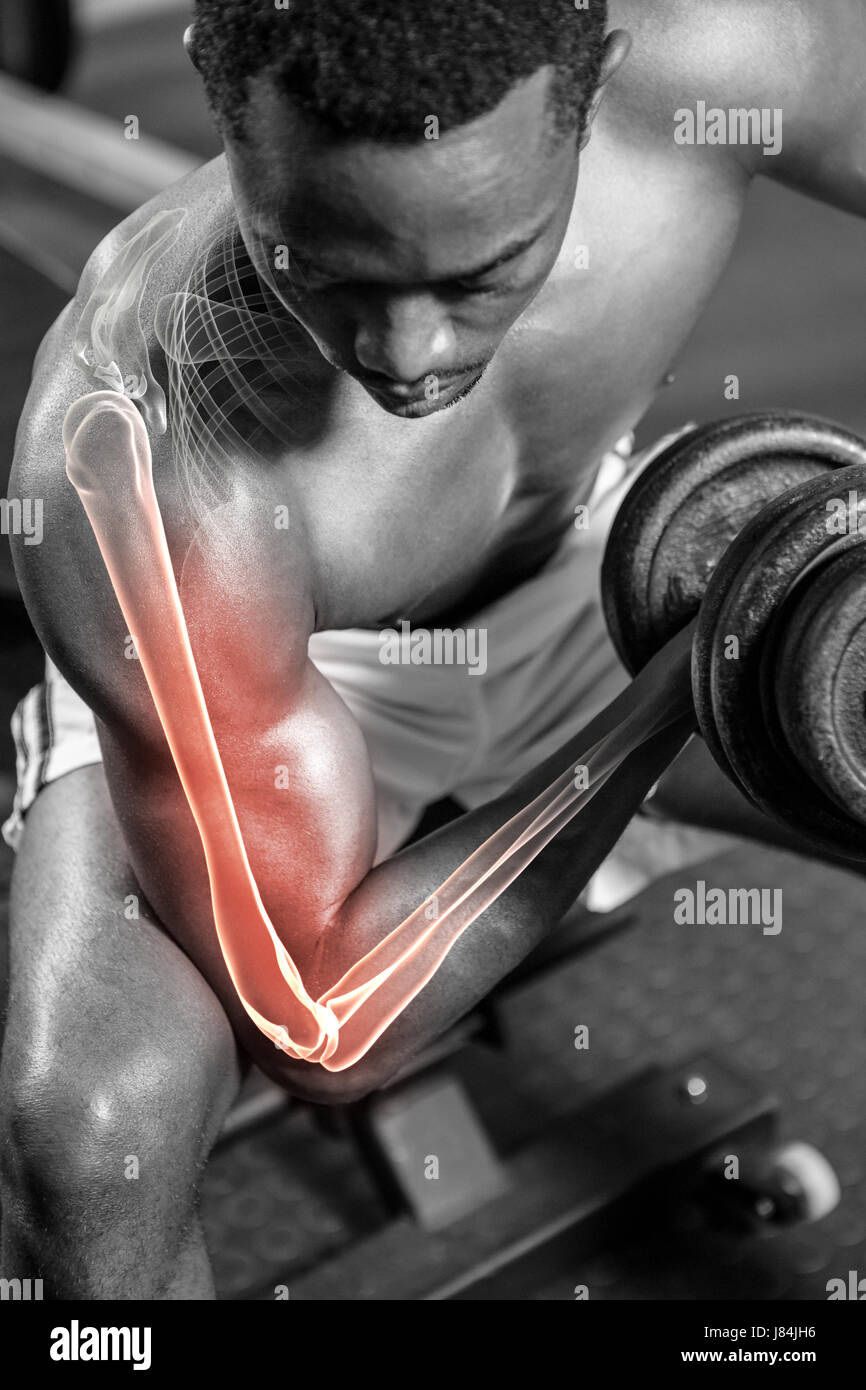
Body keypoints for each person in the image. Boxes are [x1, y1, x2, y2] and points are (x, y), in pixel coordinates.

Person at [2, 0, 864, 1299]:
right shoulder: (132, 457)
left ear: (595, 87)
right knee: (91, 1136)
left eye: (479, 275)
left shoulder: (717, 57)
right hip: (239, 658)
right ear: (219, 101)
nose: (408, 357)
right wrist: (690, 677)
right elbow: (324, 1021)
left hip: (587, 571)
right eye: (328, 266)